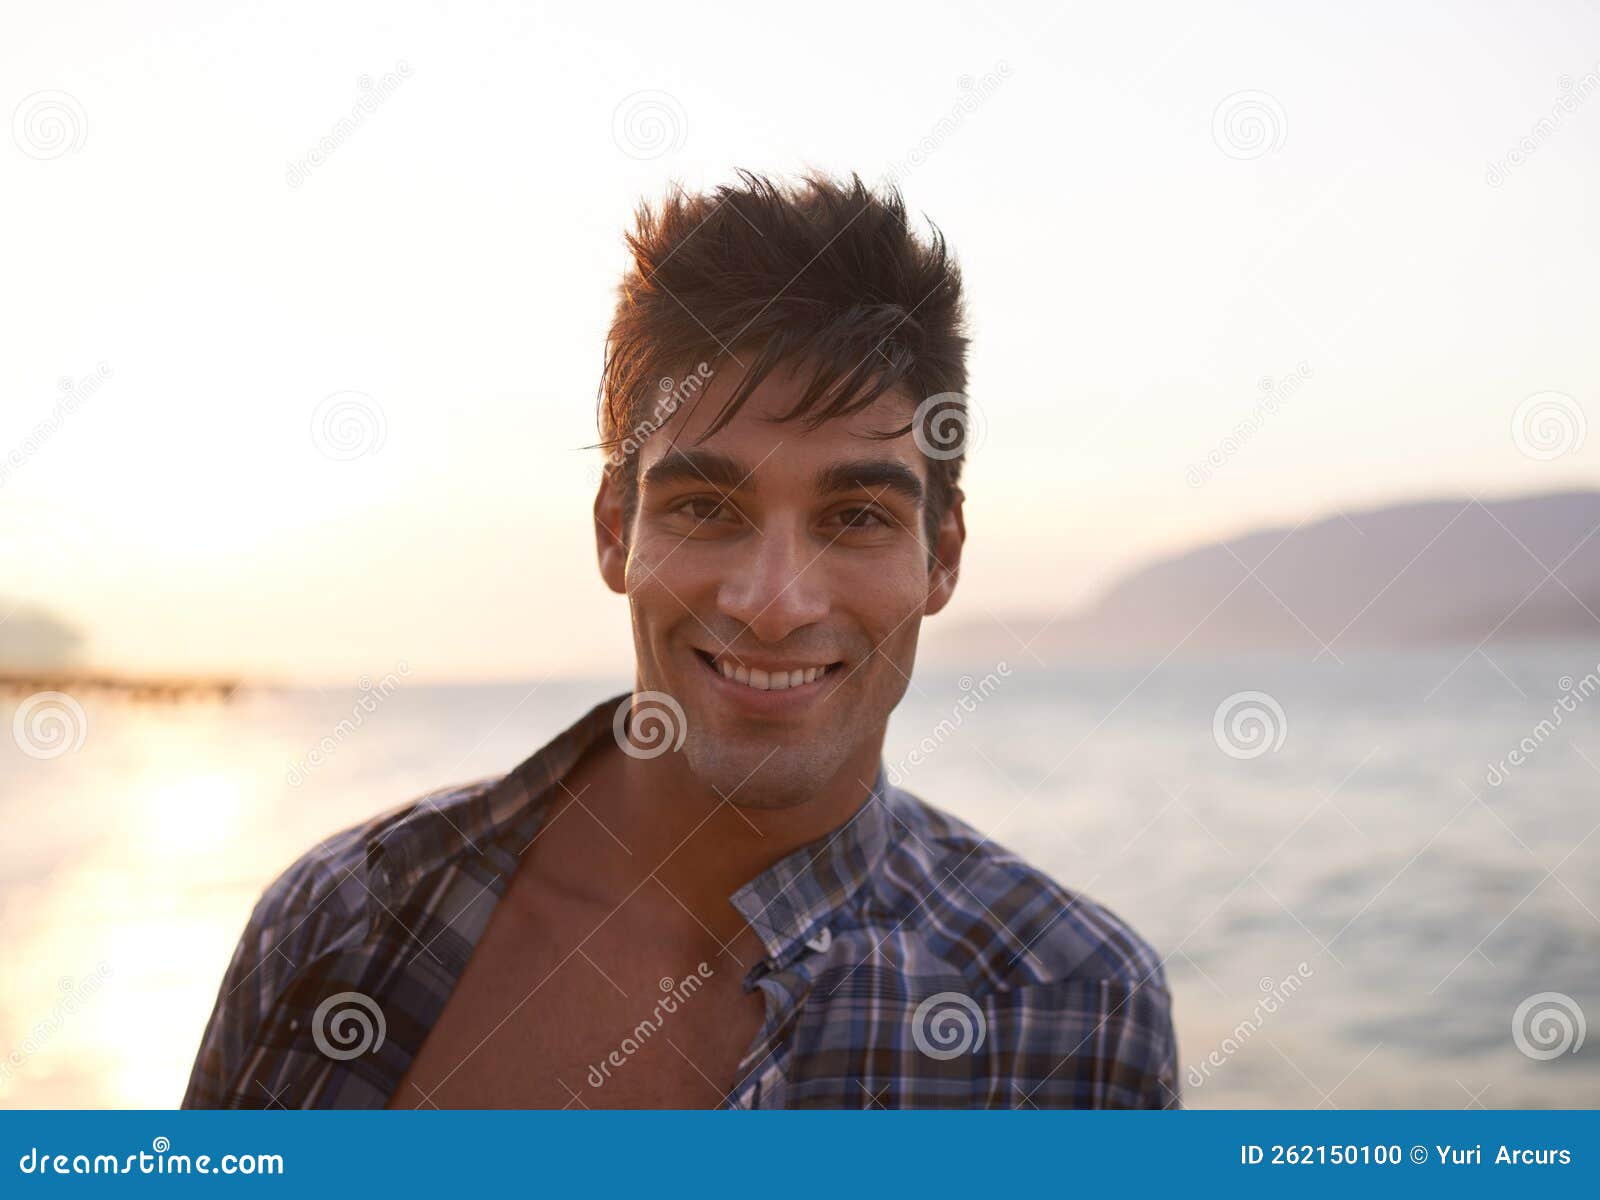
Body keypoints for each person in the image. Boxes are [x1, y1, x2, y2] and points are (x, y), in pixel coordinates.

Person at [183, 171, 1178, 1109]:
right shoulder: (342, 923)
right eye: (706, 506)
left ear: (942, 556)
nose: (773, 603)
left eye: (857, 517)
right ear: (614, 531)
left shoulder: (1071, 1010)